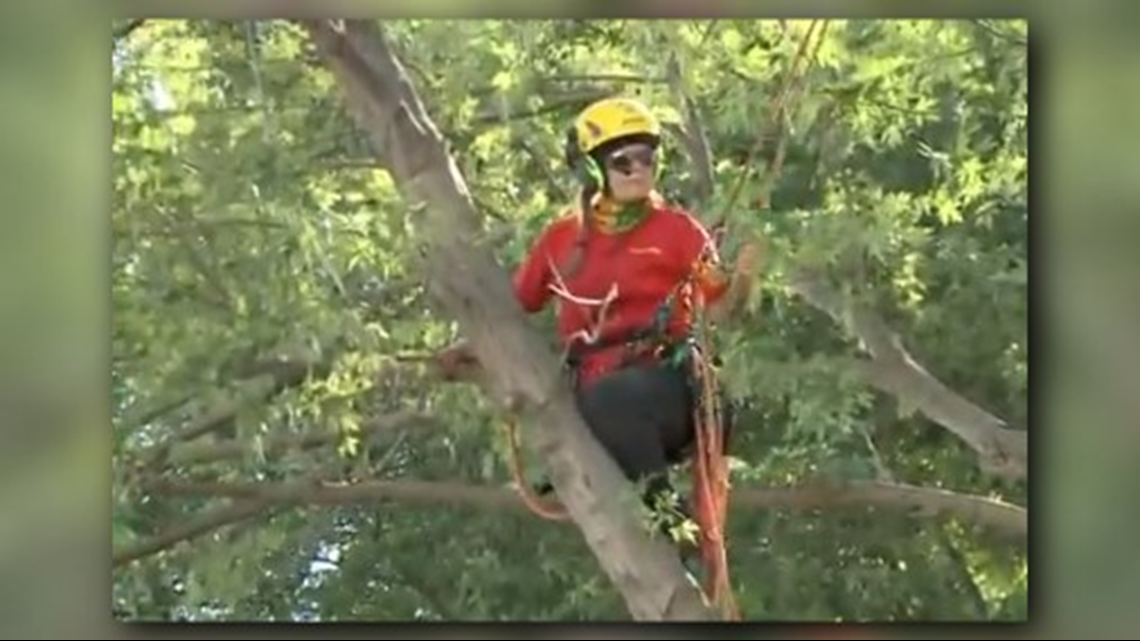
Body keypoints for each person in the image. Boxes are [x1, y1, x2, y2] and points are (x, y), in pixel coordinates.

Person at [440, 96, 762, 545]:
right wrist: (466, 347)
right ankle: (653, 523)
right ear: (592, 170)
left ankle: (673, 525)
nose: (638, 170)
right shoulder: (561, 241)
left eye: (647, 158)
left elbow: (722, 309)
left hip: (673, 389)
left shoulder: (677, 230)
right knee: (585, 418)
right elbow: (512, 310)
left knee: (610, 402)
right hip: (597, 401)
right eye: (622, 161)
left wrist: (742, 280)